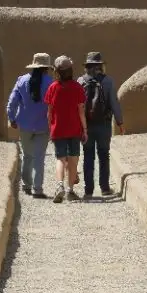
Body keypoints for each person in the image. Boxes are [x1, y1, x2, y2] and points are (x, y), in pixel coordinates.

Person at [78, 51, 125, 198]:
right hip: (104, 124)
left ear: (87, 66)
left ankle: (88, 190)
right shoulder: (108, 81)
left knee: (88, 156)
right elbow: (114, 103)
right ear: (100, 66)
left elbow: (78, 106)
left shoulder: (80, 81)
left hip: (86, 125)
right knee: (104, 155)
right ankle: (104, 188)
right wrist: (120, 122)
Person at [6, 52, 53, 198]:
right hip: (43, 125)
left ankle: (26, 185)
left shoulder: (21, 80)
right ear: (47, 67)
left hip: (25, 124)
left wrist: (12, 118)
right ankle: (37, 189)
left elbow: (12, 103)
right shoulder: (51, 83)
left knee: (27, 155)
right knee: (39, 157)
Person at [44, 55, 88, 203]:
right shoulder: (77, 87)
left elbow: (49, 112)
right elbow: (81, 111)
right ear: (71, 70)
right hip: (75, 129)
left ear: (57, 71)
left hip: (58, 129)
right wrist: (85, 130)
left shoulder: (52, 88)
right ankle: (70, 191)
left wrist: (51, 128)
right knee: (73, 158)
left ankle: (59, 186)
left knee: (60, 159)